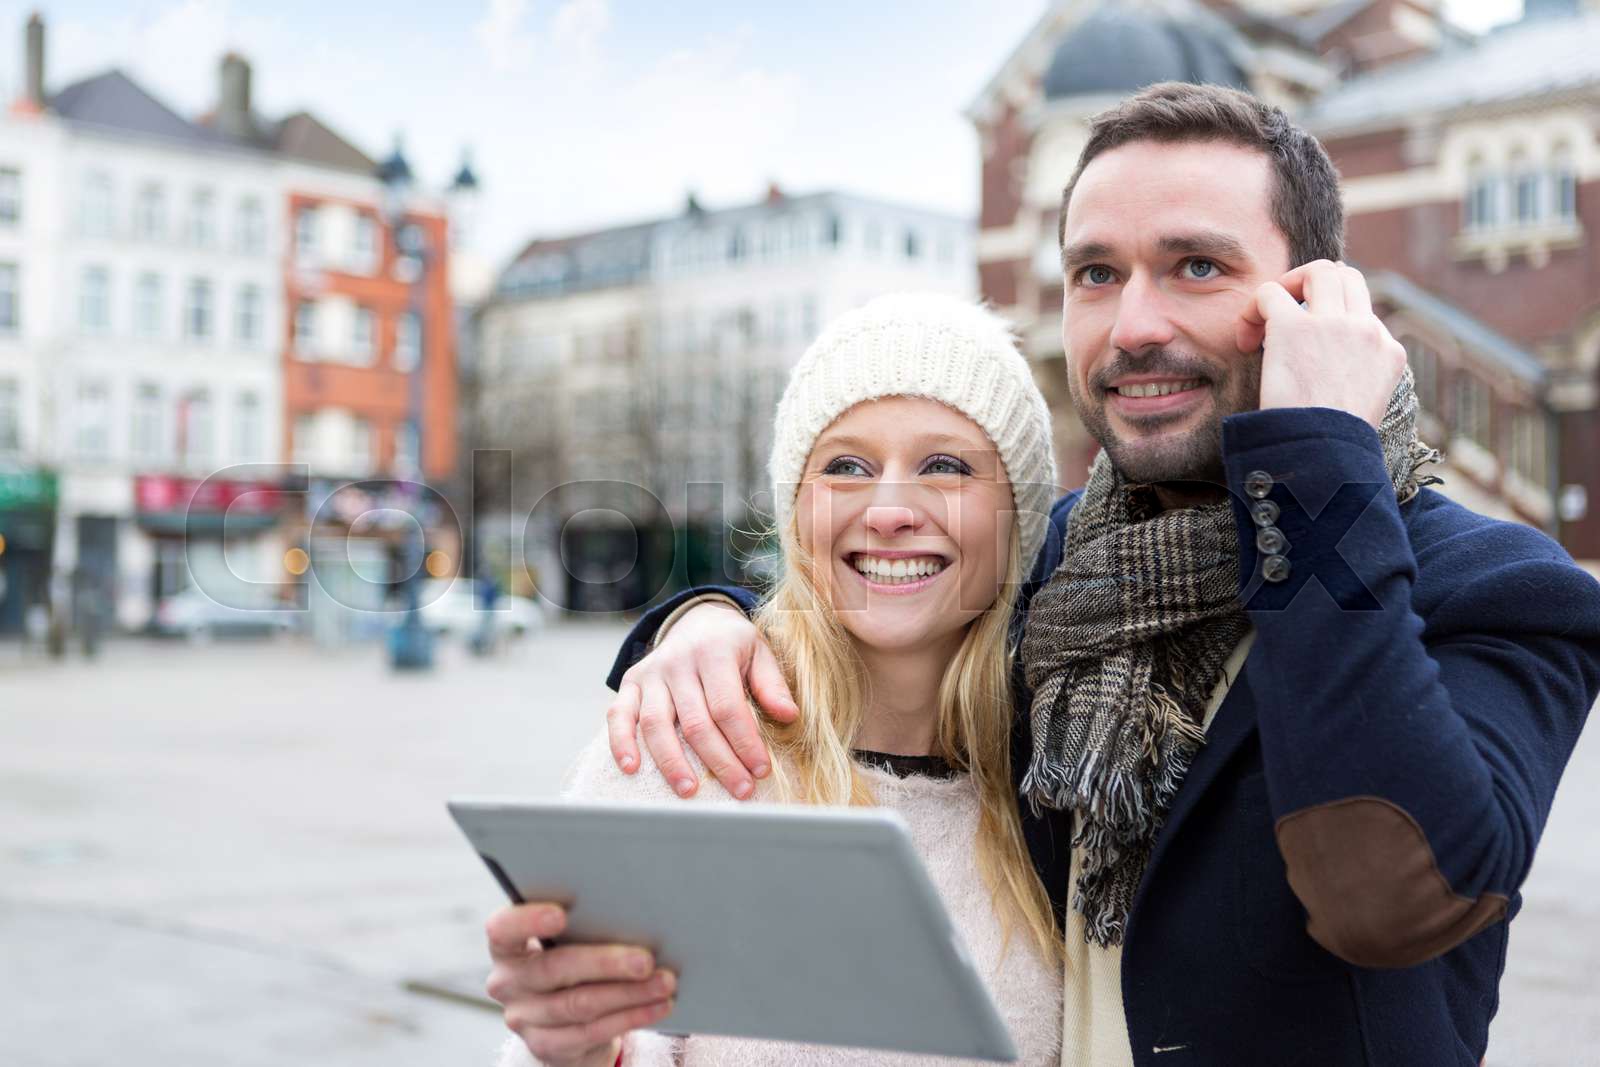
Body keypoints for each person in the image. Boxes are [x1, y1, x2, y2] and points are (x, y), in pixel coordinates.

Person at [594, 83, 1600, 1066]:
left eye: (1195, 265)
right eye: (1095, 273)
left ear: (1315, 298)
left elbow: (1382, 895)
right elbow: (859, 615)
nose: (1131, 326)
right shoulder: (1052, 565)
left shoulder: (1497, 587)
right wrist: (701, 621)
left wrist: (1319, 453)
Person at [486, 294, 1067, 1066]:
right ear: (799, 515)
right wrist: (581, 1049)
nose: (890, 508)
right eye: (847, 466)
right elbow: (608, 1035)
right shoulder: (686, 737)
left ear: (1019, 521)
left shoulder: (1068, 789)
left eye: (945, 465)